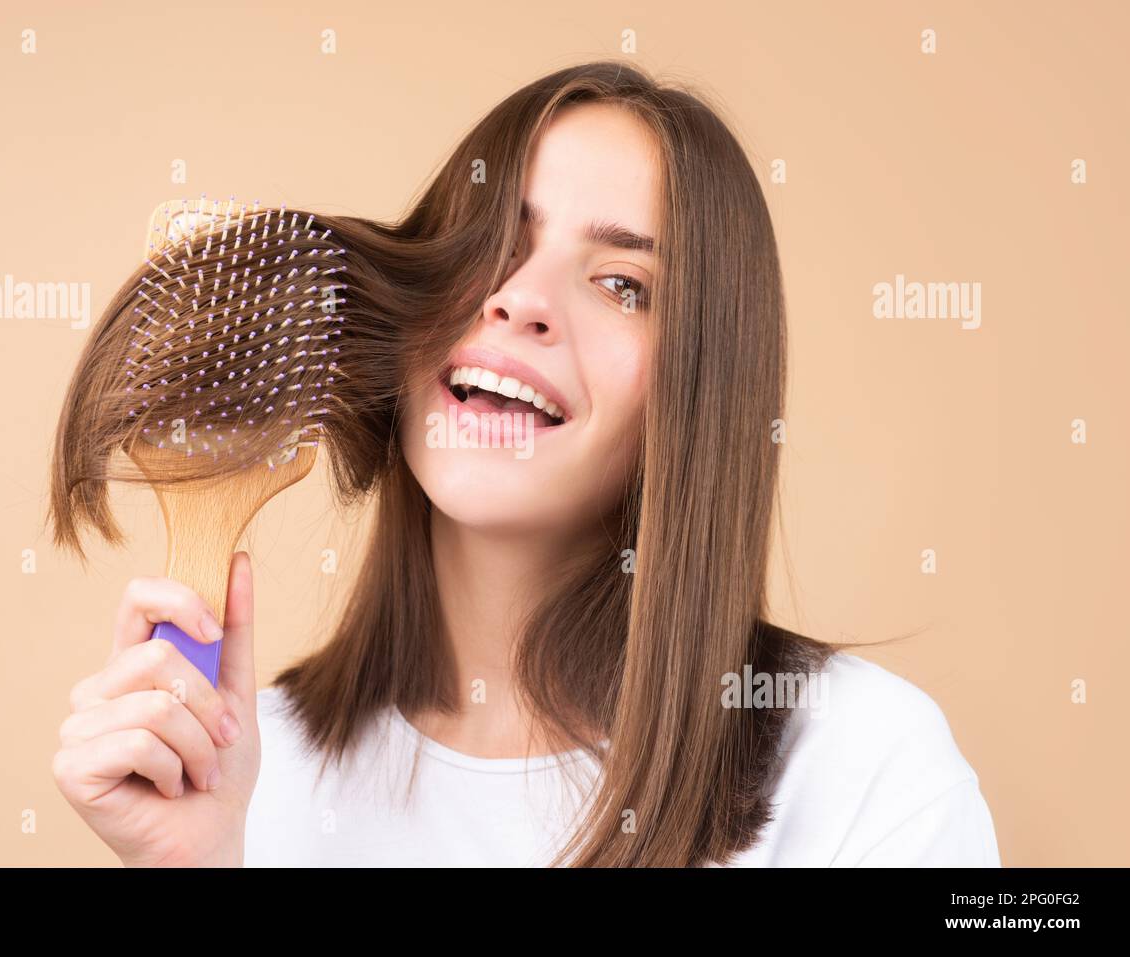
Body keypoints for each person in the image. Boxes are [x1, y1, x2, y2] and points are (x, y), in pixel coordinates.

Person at [51, 61, 1001, 867]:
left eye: (623, 283)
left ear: (702, 388)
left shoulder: (862, 764)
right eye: (496, 243)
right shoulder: (253, 774)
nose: (522, 301)